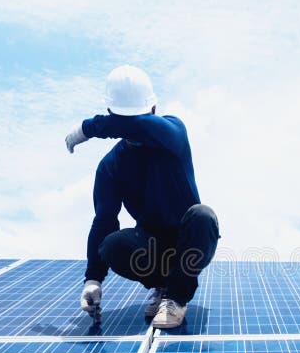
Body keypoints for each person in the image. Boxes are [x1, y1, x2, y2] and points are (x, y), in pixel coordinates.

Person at [65, 65, 219, 329]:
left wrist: (87, 128)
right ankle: (163, 286)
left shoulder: (173, 132)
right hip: (150, 247)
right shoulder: (110, 166)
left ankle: (175, 299)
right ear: (153, 106)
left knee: (202, 216)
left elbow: (136, 125)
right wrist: (93, 279)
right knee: (112, 244)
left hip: (191, 240)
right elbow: (104, 222)